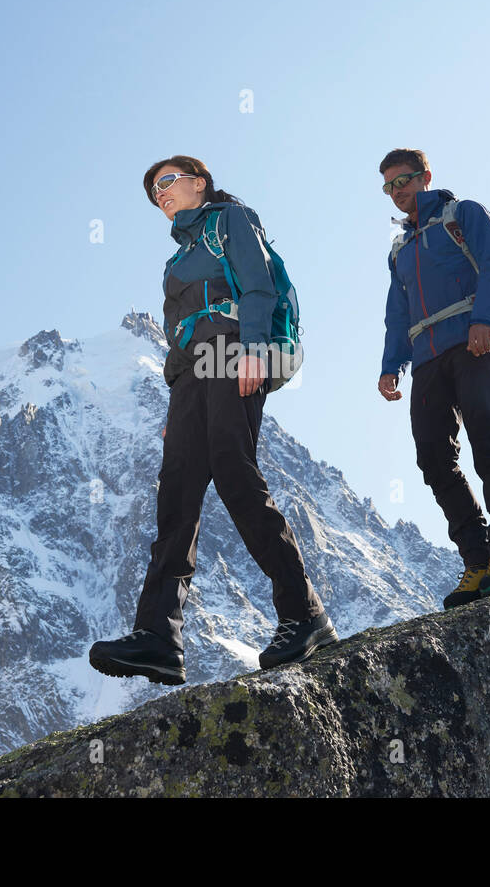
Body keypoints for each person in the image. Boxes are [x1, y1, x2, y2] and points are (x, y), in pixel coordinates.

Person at [89, 156, 337, 685]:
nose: (159, 193)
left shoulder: (231, 221)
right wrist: (175, 400)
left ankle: (304, 614)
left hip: (233, 348)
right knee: (175, 492)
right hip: (191, 374)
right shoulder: (176, 260)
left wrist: (252, 349)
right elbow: (177, 331)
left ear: (199, 183)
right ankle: (158, 635)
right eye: (153, 190)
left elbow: (258, 285)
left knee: (233, 469)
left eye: (167, 182)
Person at [376, 148, 490, 608]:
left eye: (402, 180)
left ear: (425, 176)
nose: (396, 191)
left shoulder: (463, 214)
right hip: (426, 360)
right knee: (433, 459)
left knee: (487, 442)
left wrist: (485, 320)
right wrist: (390, 365)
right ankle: (477, 561)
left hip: (473, 342)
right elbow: (397, 313)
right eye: (388, 186)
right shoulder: (399, 248)